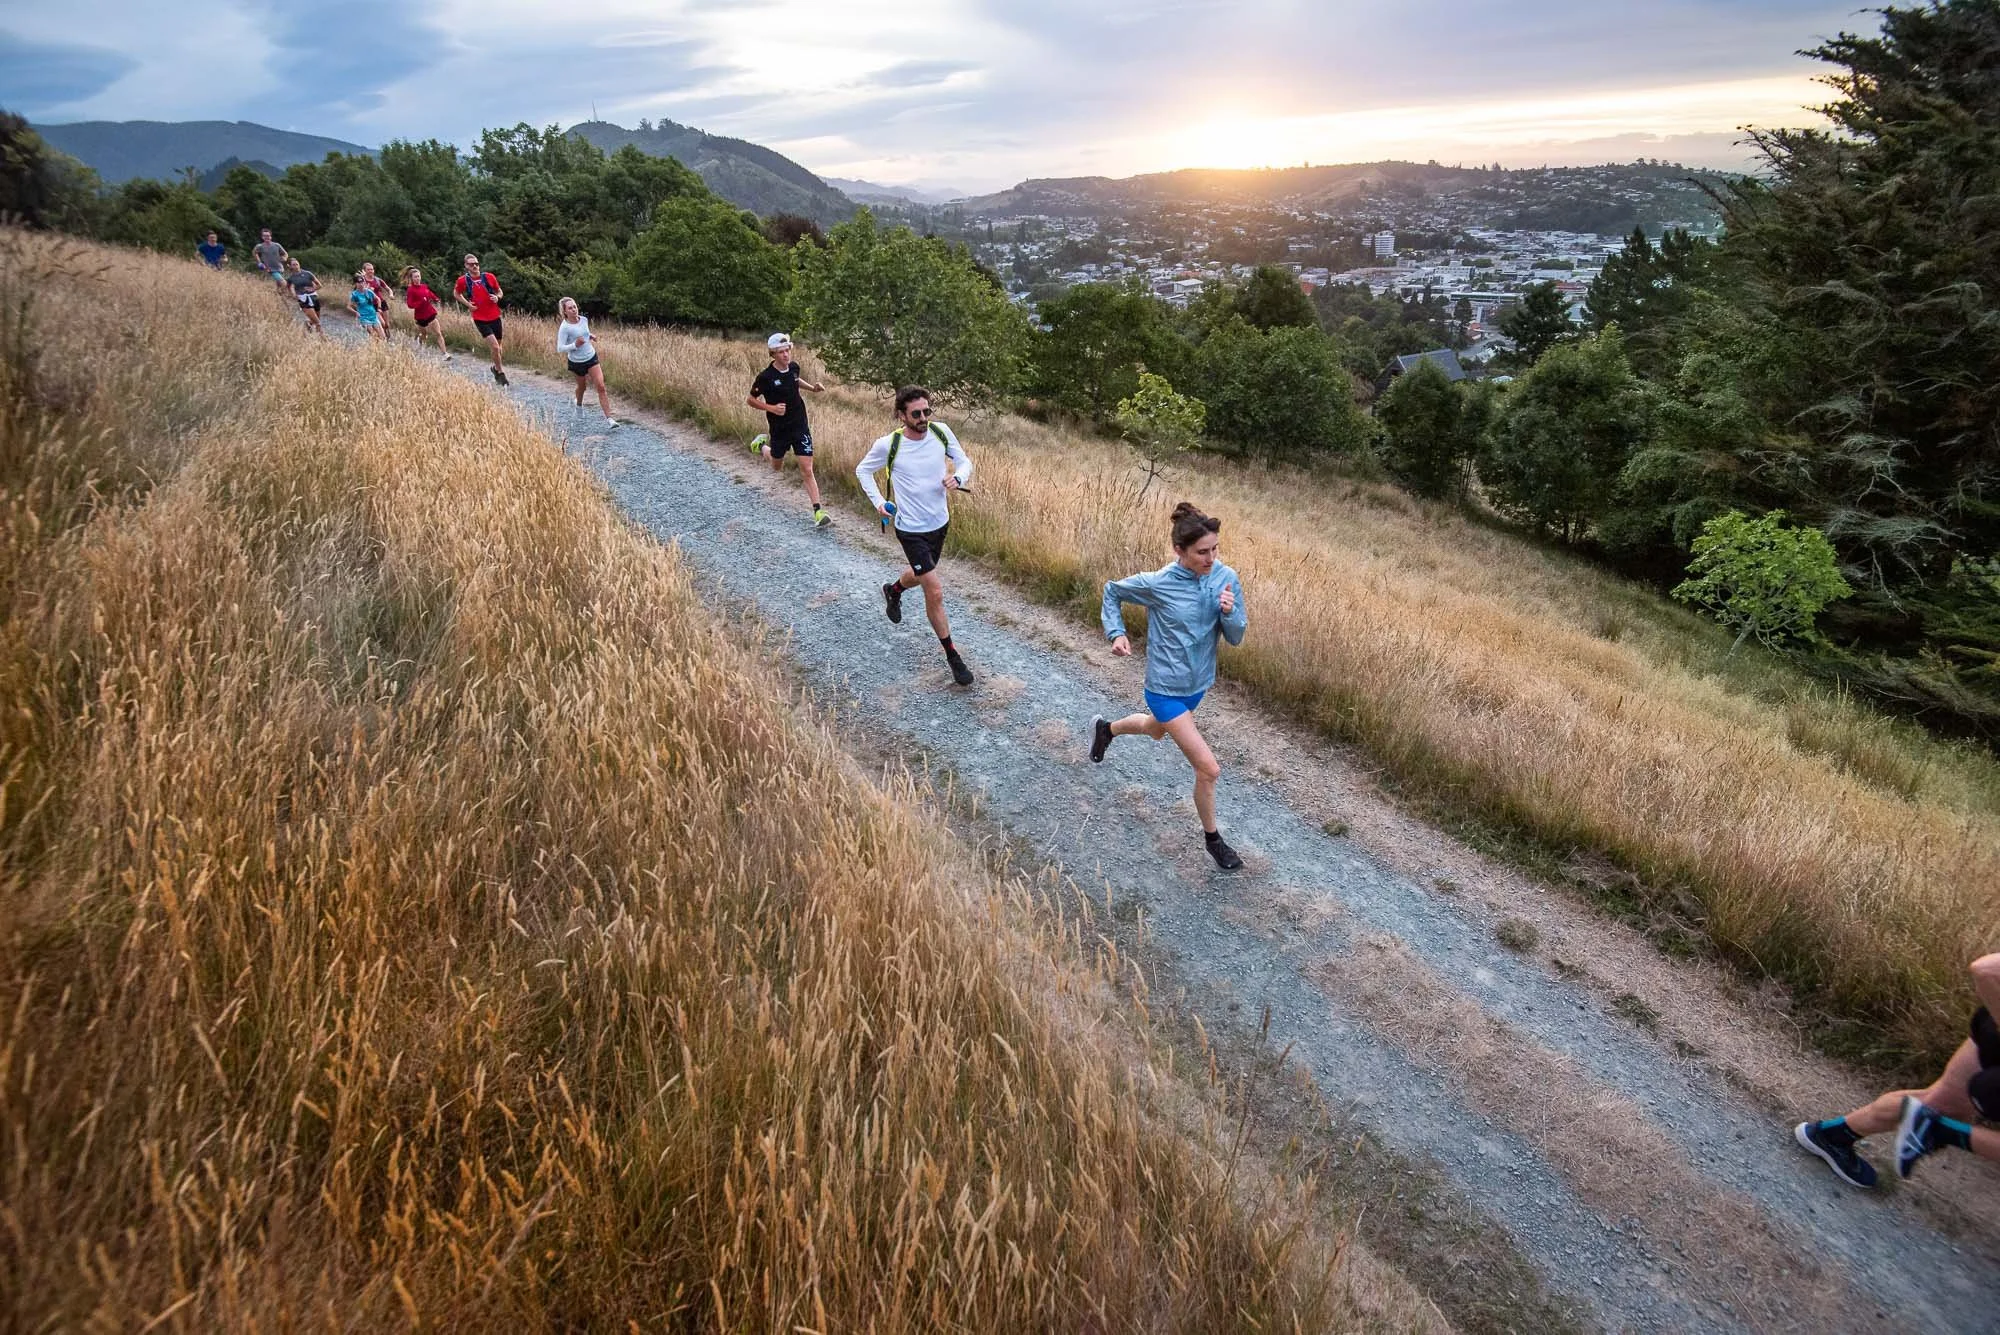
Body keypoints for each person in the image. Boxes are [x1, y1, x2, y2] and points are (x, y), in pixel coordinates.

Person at [1089, 503, 1249, 871]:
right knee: (1208, 769)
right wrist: (1116, 632)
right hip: (1164, 687)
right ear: (1180, 550)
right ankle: (1214, 841)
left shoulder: (1226, 578)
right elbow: (1112, 591)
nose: (1211, 558)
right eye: (1202, 552)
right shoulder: (1159, 584)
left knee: (1155, 731)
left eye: (1215, 549)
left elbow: (1236, 637)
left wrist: (1230, 612)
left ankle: (1106, 730)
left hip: (1198, 684)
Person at [1794, 954, 2000, 1187]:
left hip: (1992, 1023)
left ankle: (1832, 1136)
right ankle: (1940, 1131)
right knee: (1934, 1115)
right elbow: (1986, 970)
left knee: (1934, 1106)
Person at [856, 386, 975, 686]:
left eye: (927, 411)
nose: (923, 418)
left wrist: (958, 477)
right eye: (916, 414)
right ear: (900, 415)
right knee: (934, 590)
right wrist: (880, 503)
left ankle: (894, 590)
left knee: (923, 574)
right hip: (910, 529)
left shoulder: (941, 433)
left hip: (940, 523)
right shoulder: (889, 444)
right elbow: (862, 471)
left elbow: (964, 461)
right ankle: (953, 657)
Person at [747, 333, 830, 528]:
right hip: (779, 428)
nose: (786, 355)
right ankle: (761, 447)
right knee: (777, 465)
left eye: (787, 350)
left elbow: (796, 380)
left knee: (807, 469)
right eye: (781, 352)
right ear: (772, 354)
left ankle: (818, 511)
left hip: (800, 424)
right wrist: (771, 408)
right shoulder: (765, 377)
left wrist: (813, 389)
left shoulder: (794, 368)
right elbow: (750, 400)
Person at [556, 297, 617, 427]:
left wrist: (590, 336)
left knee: (601, 386)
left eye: (575, 306)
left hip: (591, 356)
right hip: (576, 362)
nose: (574, 310)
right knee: (582, 388)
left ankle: (610, 419)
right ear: (565, 312)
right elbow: (560, 348)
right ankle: (578, 405)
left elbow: (584, 332)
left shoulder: (584, 320)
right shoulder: (565, 327)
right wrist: (574, 345)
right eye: (570, 308)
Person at [454, 254, 507, 385]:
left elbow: (499, 291)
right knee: (494, 347)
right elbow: (456, 293)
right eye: (471, 264)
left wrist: (497, 297)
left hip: (495, 316)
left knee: (499, 348)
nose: (475, 266)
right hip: (480, 318)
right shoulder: (463, 281)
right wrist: (468, 305)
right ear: (466, 266)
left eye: (476, 263)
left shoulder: (489, 277)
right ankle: (500, 373)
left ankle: (495, 368)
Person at [400, 266, 450, 359]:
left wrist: (436, 298)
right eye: (415, 277)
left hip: (430, 312)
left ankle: (445, 354)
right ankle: (420, 342)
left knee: (438, 333)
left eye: (418, 276)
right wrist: (420, 302)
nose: (417, 278)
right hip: (420, 316)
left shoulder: (424, 286)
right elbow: (410, 305)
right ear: (411, 278)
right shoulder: (411, 290)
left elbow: (429, 293)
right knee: (424, 334)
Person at [282, 258, 325, 337]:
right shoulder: (291, 278)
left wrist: (313, 288)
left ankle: (307, 324)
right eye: (294, 265)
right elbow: (289, 289)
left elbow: (319, 285)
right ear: (290, 267)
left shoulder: (308, 273)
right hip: (303, 299)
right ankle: (323, 340)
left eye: (297, 264)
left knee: (316, 319)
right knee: (318, 322)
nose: (296, 266)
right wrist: (294, 295)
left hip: (314, 297)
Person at [360, 262, 396, 340]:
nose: (371, 271)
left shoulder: (377, 280)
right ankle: (380, 337)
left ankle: (386, 336)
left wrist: (391, 294)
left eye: (372, 269)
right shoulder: (362, 281)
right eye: (368, 269)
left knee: (386, 324)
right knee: (381, 323)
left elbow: (388, 288)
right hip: (372, 305)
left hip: (382, 303)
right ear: (365, 270)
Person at [349, 270, 385, 341]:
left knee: (382, 336)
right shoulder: (354, 294)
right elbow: (348, 306)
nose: (361, 284)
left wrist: (379, 309)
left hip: (373, 315)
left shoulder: (368, 291)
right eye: (359, 283)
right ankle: (375, 350)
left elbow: (378, 299)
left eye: (362, 282)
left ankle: (380, 349)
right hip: (364, 317)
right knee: (374, 336)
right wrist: (356, 312)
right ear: (356, 284)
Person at [252, 229, 289, 294]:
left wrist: (284, 258)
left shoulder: (277, 245)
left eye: (268, 236)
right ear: (262, 237)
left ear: (270, 237)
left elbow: (285, 254)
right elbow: (254, 252)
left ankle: (278, 296)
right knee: (284, 283)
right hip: (270, 269)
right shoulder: (260, 246)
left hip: (280, 267)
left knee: (279, 285)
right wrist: (259, 262)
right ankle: (282, 296)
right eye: (265, 236)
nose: (267, 237)